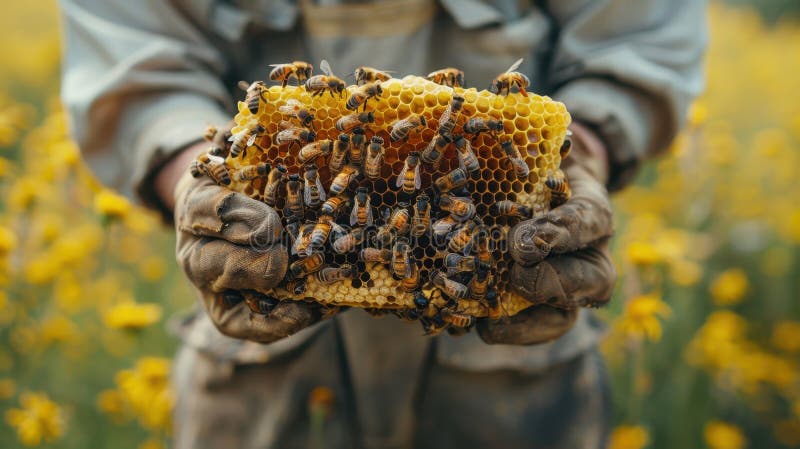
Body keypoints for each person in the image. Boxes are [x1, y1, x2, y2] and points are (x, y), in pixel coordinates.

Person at [59, 0, 706, 447]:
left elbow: (638, 40)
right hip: (259, 362)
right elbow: (138, 61)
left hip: (515, 363)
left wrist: (580, 153)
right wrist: (195, 183)